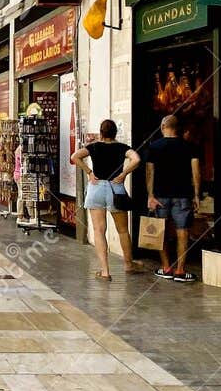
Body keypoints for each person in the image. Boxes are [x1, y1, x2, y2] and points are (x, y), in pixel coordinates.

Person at [72, 120, 143, 281]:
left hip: (96, 188)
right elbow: (137, 159)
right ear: (115, 132)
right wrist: (124, 174)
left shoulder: (94, 147)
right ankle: (128, 264)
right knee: (123, 230)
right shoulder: (122, 147)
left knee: (99, 230)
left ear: (101, 133)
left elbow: (75, 157)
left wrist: (89, 172)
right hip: (115, 189)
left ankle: (105, 272)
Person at [145, 113, 202, 283]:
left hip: (160, 195)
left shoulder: (154, 146)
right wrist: (197, 195)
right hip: (183, 195)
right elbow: (196, 172)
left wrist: (150, 195)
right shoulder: (189, 146)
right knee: (182, 232)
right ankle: (180, 270)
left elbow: (150, 172)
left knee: (160, 229)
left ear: (163, 127)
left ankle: (166, 267)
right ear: (177, 129)